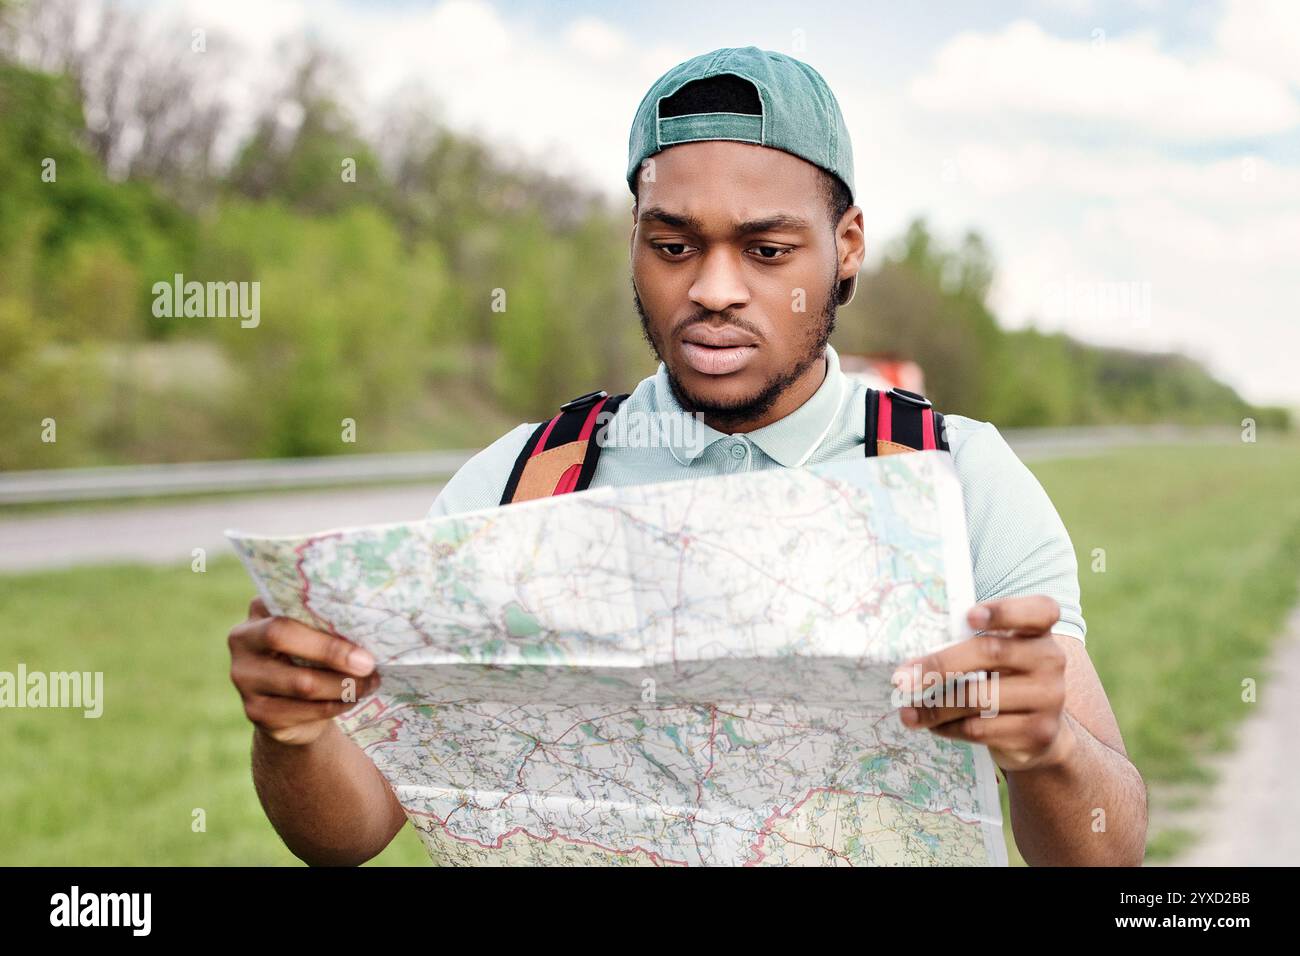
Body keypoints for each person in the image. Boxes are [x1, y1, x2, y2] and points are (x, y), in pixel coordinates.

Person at [227, 47, 1146, 866]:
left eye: (766, 249)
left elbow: (1109, 857)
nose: (712, 289)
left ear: (846, 248)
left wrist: (1049, 748)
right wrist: (294, 733)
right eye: (673, 245)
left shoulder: (962, 480)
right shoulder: (519, 482)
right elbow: (349, 838)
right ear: (634, 242)